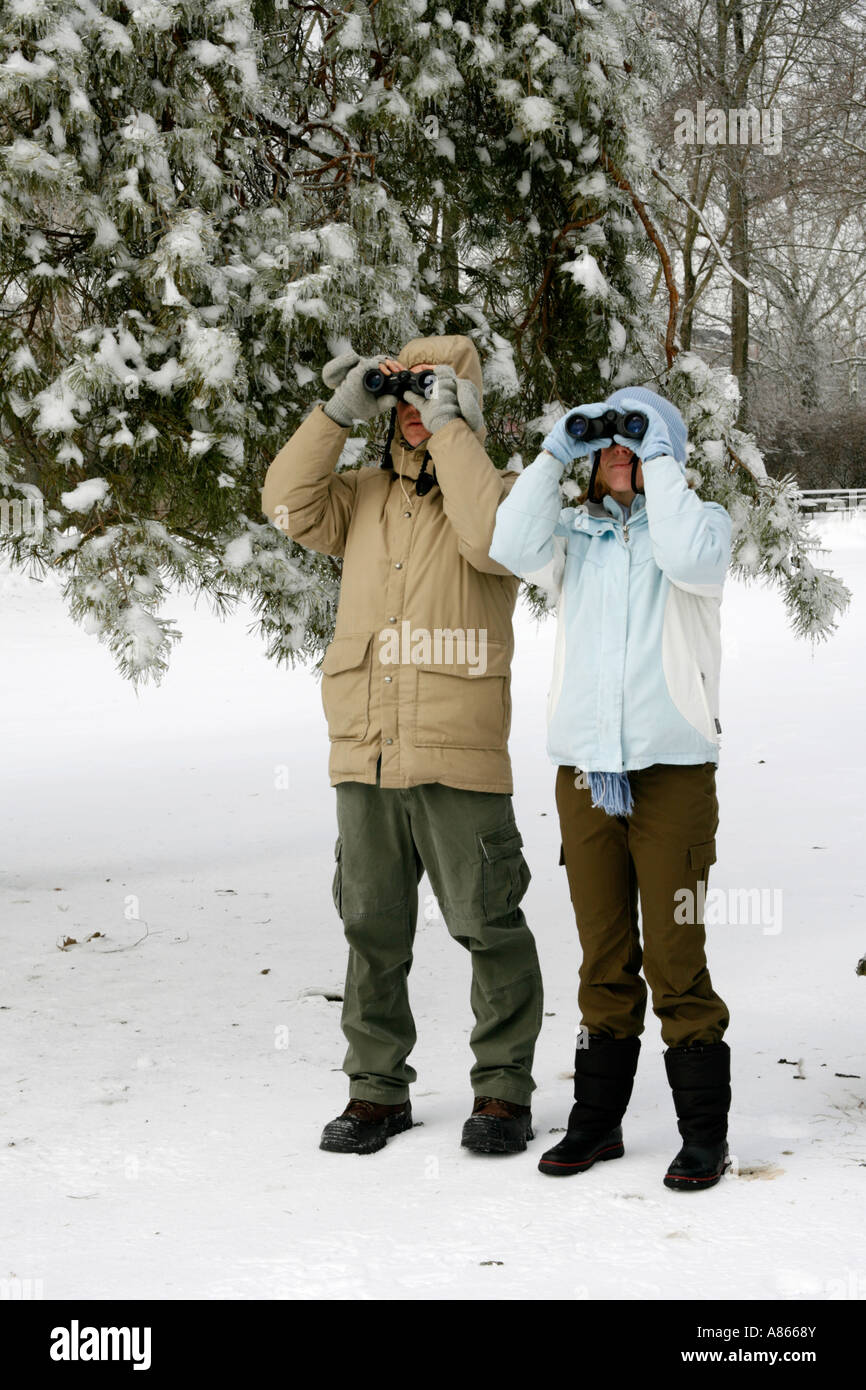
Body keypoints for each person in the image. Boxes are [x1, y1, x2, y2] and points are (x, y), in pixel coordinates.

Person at [261, 335, 543, 1156]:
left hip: (459, 749)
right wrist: (337, 412)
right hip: (368, 745)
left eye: (436, 395)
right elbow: (284, 503)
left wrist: (455, 431)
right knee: (371, 928)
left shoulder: (501, 492)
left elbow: (493, 540)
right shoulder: (361, 496)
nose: (415, 411)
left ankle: (501, 1092)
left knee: (488, 925)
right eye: (406, 398)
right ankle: (376, 1092)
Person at [489, 386, 733, 1190]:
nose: (619, 450)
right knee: (603, 958)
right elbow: (509, 540)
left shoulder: (699, 527)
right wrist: (559, 447)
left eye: (639, 438)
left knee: (676, 956)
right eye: (610, 441)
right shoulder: (575, 537)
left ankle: (704, 1137)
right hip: (588, 779)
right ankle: (598, 1125)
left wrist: (655, 450)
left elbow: (688, 559)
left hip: (672, 779)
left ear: (666, 454)